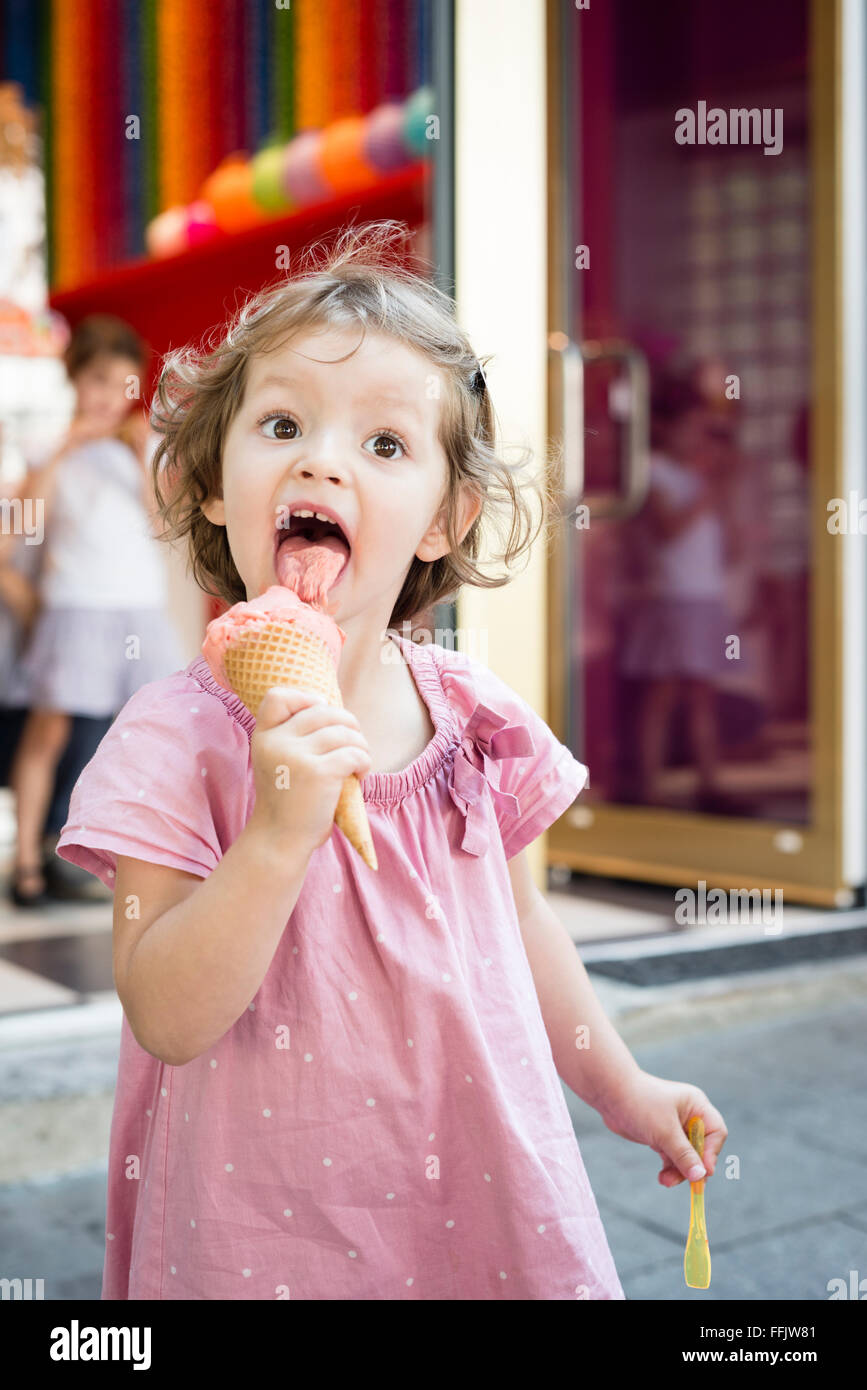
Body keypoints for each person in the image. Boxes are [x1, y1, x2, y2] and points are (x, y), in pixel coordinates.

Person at [56, 223, 727, 1301]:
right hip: (264, 1225)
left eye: (384, 445)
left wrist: (621, 1083)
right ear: (211, 487)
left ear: (444, 521)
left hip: (479, 1186)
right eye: (282, 424)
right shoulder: (172, 741)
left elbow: (525, 928)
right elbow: (166, 1015)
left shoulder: (477, 719)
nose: (322, 458)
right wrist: (277, 837)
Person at [8, 315, 184, 906]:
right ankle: (27, 861)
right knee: (49, 731)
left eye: (126, 384)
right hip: (74, 608)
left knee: (154, 732)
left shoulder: (146, 448)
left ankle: (137, 860)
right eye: (100, 381)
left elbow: (165, 529)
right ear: (75, 380)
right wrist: (64, 448)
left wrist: (139, 460)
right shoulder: (46, 449)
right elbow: (23, 527)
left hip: (140, 609)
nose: (113, 397)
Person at [620, 371, 738, 811]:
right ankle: (649, 788)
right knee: (662, 695)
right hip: (673, 600)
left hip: (704, 598)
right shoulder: (654, 472)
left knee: (702, 695)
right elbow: (667, 530)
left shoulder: (698, 477)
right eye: (690, 427)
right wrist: (710, 490)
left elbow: (726, 543)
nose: (696, 438)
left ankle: (711, 783)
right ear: (668, 428)